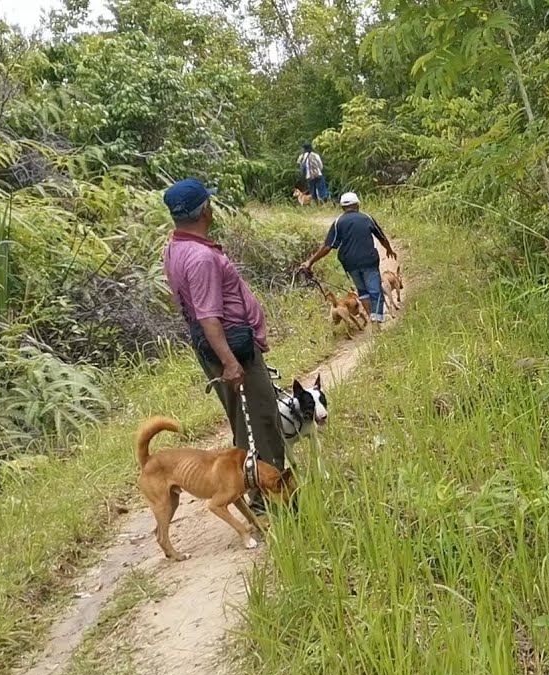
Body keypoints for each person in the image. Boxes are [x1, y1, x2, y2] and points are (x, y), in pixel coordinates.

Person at [162, 178, 285, 514]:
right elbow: (207, 315)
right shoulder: (200, 257)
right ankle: (270, 498)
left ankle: (256, 493)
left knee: (244, 421)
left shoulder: (174, 249)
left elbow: (183, 305)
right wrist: (230, 362)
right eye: (209, 204)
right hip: (232, 349)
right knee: (260, 418)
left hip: (217, 347)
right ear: (205, 210)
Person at [298, 192, 397, 324]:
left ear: (342, 207)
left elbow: (327, 247)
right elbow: (382, 237)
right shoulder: (367, 218)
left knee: (363, 292)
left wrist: (310, 262)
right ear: (357, 205)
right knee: (375, 290)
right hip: (369, 260)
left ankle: (372, 320)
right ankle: (377, 321)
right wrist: (389, 249)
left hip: (350, 264)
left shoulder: (338, 222)